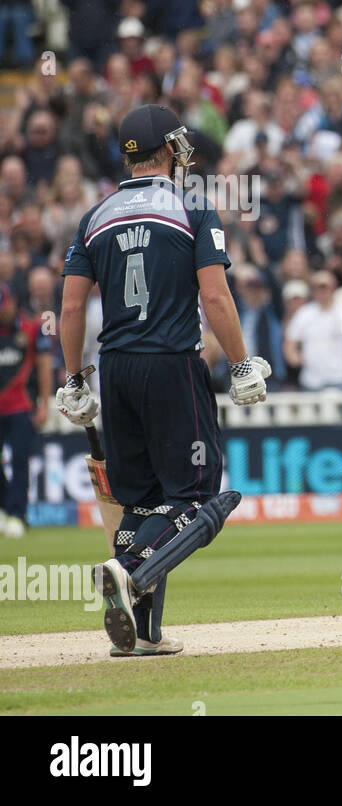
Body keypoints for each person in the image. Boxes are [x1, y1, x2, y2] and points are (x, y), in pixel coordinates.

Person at [56, 104, 271, 657]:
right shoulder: (192, 207)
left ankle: (144, 632)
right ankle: (129, 570)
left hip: (116, 370)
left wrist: (74, 379)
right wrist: (243, 364)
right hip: (172, 362)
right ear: (170, 150)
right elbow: (216, 295)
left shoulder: (94, 216)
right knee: (197, 498)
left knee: (143, 502)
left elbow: (72, 307)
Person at [0, 285, 52, 538]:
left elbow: (44, 365)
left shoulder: (31, 327)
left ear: (12, 303)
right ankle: (4, 509)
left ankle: (18, 515)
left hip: (21, 406)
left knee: (20, 461)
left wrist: (44, 402)